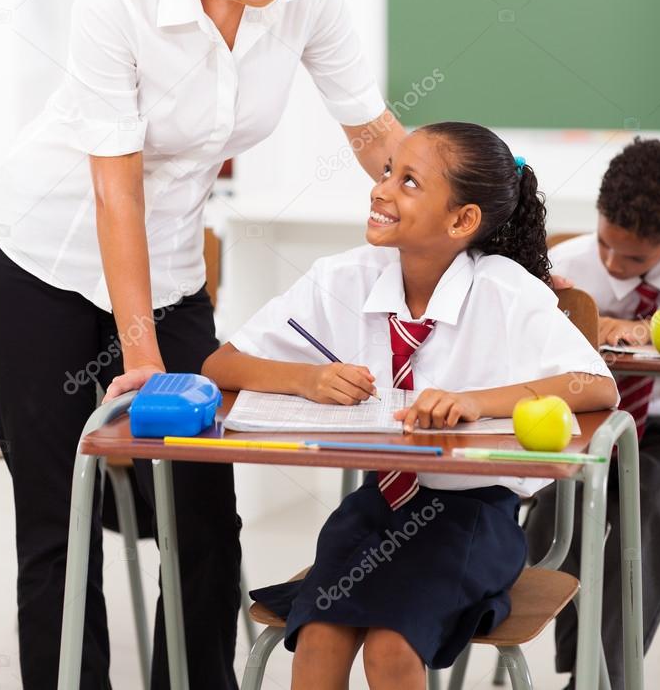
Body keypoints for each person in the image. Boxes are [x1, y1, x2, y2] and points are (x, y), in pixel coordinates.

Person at [0, 0, 403, 689]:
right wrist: (140, 359)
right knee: (59, 518)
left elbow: (370, 129)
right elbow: (115, 188)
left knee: (207, 515)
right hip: (42, 259)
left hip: (169, 265)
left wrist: (447, 196)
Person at [196, 122, 618, 688]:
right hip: (375, 510)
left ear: (462, 221)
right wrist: (305, 377)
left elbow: (594, 385)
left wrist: (474, 401)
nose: (382, 187)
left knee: (392, 647)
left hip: (472, 518)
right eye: (389, 169)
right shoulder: (344, 277)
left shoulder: (503, 289)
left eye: (410, 181)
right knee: (317, 640)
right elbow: (220, 365)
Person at [526, 137, 660, 690]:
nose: (612, 263)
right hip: (581, 426)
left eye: (633, 257)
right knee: (559, 504)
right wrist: (588, 327)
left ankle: (597, 679)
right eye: (606, 242)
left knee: (653, 506)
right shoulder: (564, 269)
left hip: (657, 431)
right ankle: (589, 668)